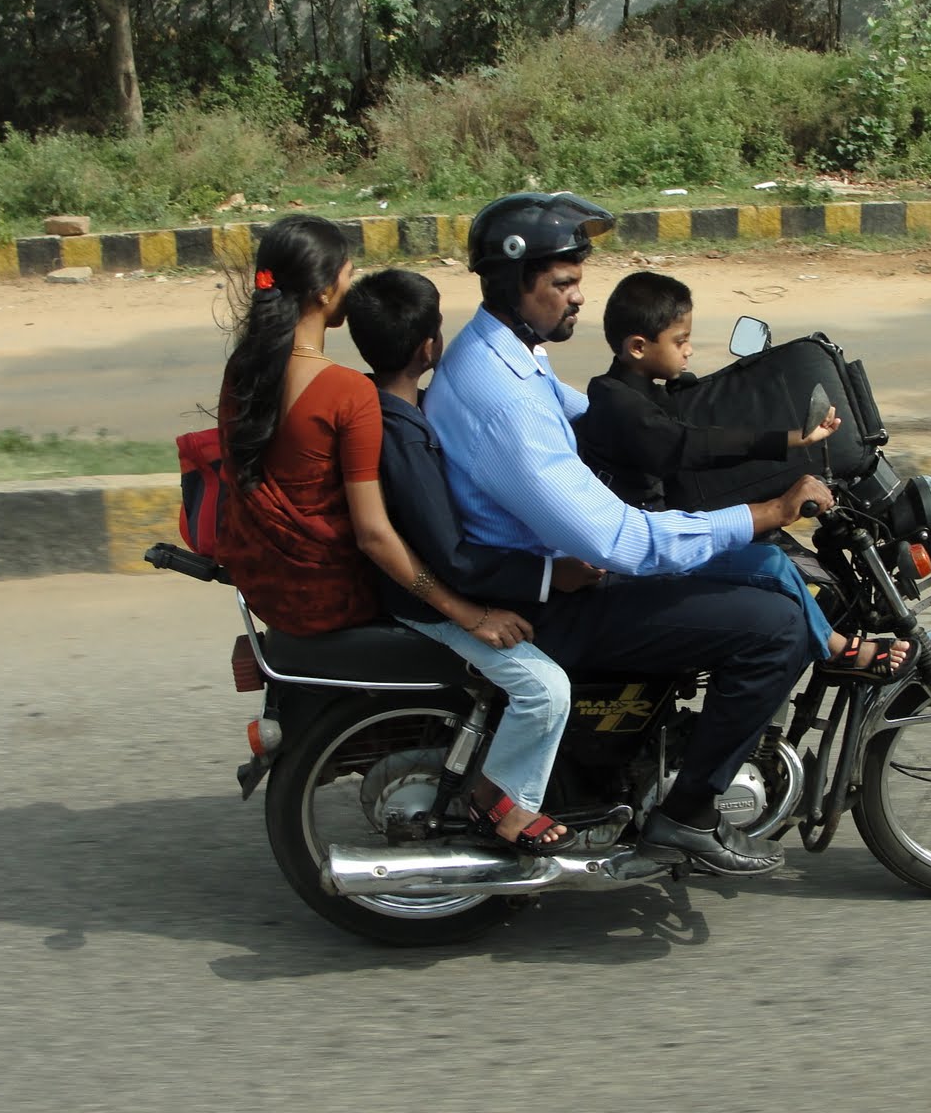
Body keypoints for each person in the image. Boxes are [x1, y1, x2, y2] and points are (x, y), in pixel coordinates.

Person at [423, 192, 838, 878]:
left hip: (562, 572)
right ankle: (690, 813)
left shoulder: (503, 355)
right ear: (511, 284)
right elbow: (624, 542)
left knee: (754, 570)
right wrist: (763, 514)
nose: (579, 298)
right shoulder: (504, 401)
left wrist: (731, 442)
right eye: (562, 284)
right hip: (557, 601)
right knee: (775, 629)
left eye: (579, 281)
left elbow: (592, 415)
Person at [215, 215, 572, 855]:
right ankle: (504, 804)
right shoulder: (348, 394)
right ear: (324, 293)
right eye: (348, 276)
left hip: (279, 587)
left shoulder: (246, 370)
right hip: (342, 593)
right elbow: (377, 537)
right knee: (544, 685)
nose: (352, 289)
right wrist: (469, 613)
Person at [343, 268, 604, 854]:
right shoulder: (402, 436)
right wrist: (544, 577)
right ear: (428, 346)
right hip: (427, 599)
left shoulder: (407, 408)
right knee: (545, 690)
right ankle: (498, 800)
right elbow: (452, 556)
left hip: (434, 585)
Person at [577, 269, 915, 683]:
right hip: (643, 555)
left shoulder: (648, 390)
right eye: (680, 341)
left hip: (663, 537)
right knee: (771, 565)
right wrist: (791, 440)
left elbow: (701, 428)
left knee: (771, 551)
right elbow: (690, 445)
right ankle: (836, 649)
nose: (689, 351)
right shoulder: (618, 403)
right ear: (638, 347)